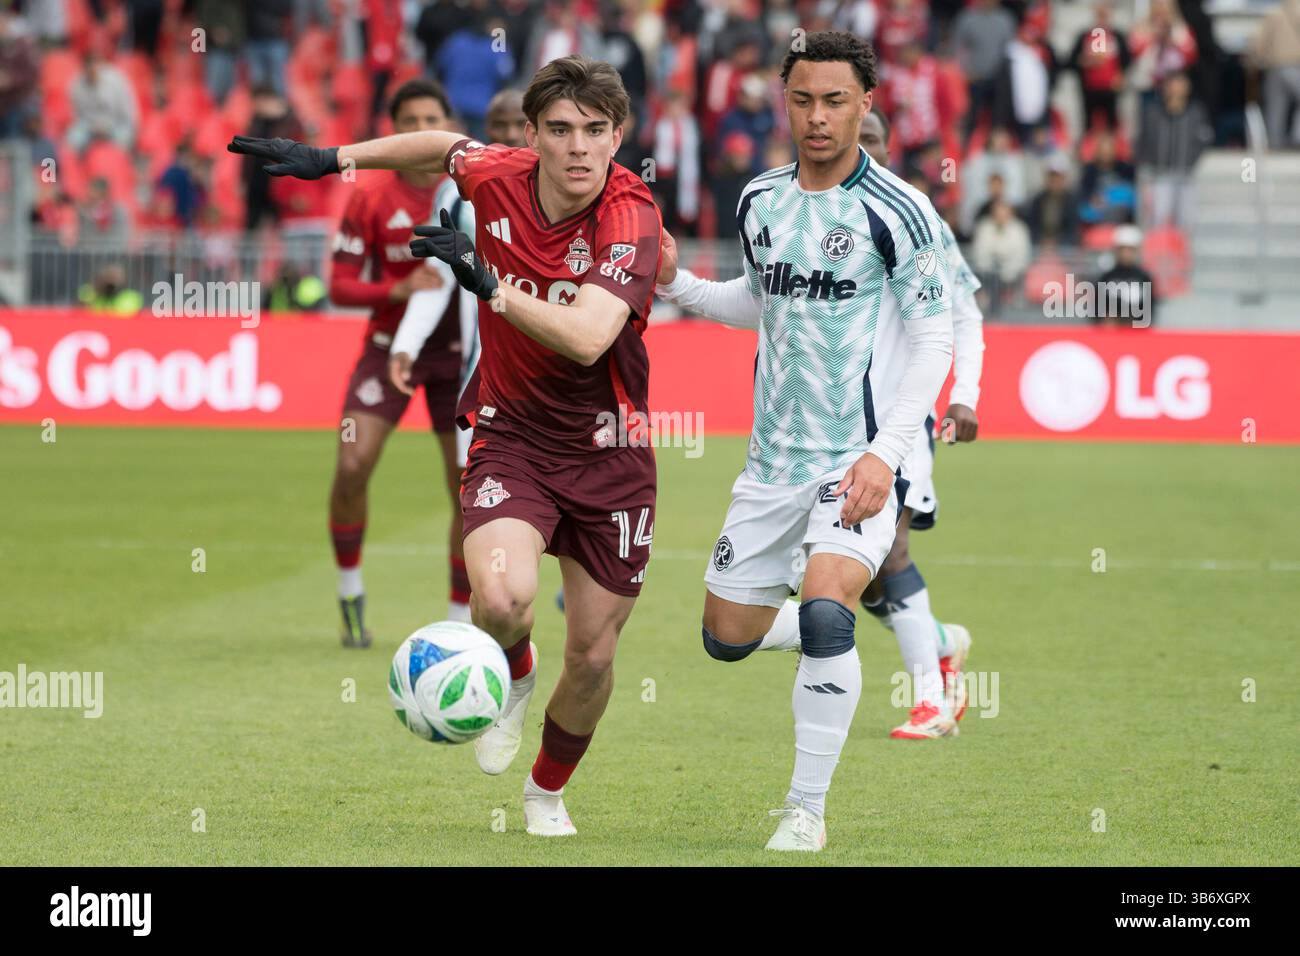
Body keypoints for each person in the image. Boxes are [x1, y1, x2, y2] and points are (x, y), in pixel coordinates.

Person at [230, 55, 665, 838]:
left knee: (595, 658)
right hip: (513, 435)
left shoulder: (631, 215)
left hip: (612, 453)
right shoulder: (497, 174)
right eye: (559, 130)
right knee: (499, 600)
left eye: (595, 132)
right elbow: (442, 145)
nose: (577, 148)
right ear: (530, 136)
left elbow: (592, 338)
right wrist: (335, 159)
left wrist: (494, 287)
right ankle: (515, 672)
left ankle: (544, 792)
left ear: (618, 137)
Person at [653, 32, 954, 851]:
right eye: (802, 100)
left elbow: (934, 341)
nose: (817, 118)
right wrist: (676, 282)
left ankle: (804, 809)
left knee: (824, 613)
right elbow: (760, 302)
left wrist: (884, 456)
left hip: (851, 461)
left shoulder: (899, 210)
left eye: (835, 101)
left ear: (865, 104)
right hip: (767, 468)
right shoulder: (758, 200)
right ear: (783, 101)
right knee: (725, 640)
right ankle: (844, 627)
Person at [319, 79, 463, 646]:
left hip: (460, 360)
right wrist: (399, 290)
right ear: (399, 131)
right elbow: (338, 286)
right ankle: (349, 587)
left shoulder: (473, 194)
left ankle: (457, 626)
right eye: (411, 121)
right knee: (353, 465)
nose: (422, 129)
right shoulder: (372, 199)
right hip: (387, 350)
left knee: (465, 488)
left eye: (432, 117)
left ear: (445, 125)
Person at [853, 108, 982, 740]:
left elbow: (964, 313)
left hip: (901, 417)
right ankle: (935, 640)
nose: (861, 146)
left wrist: (967, 394)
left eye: (872, 137)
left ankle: (931, 700)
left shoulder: (916, 215)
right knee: (851, 570)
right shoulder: (800, 205)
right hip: (821, 420)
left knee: (892, 550)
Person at [1091, 224, 1157, 327]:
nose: (1126, 253)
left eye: (1130, 250)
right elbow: (1097, 310)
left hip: (1136, 332)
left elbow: (1149, 312)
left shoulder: (1144, 278)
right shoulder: (1106, 277)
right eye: (1123, 249)